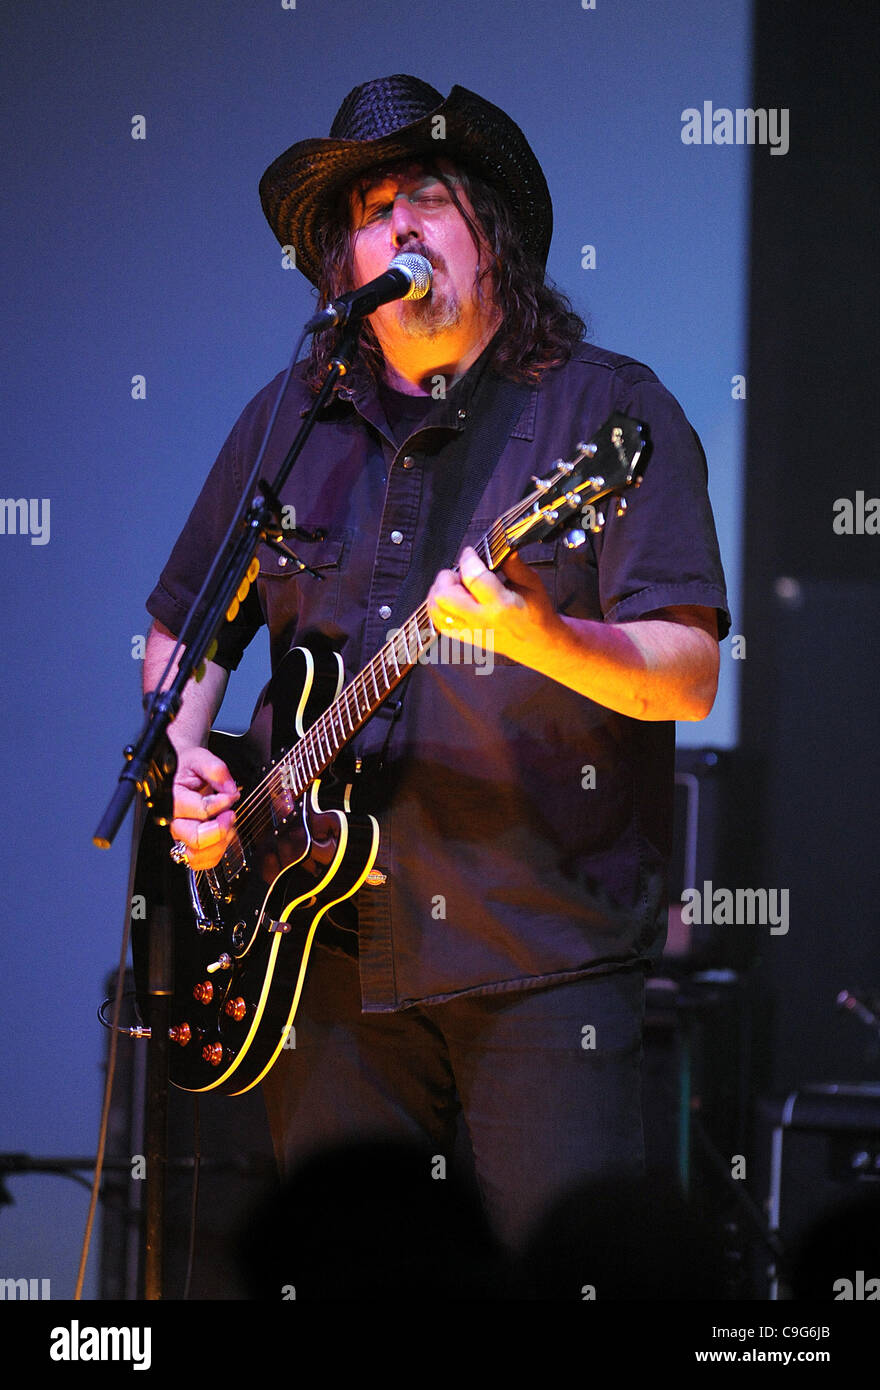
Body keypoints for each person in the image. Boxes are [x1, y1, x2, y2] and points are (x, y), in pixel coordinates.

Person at [143, 75, 729, 1266]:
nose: (394, 229)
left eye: (424, 199)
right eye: (366, 211)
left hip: (539, 959)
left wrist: (539, 636)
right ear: (339, 262)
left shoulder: (606, 412)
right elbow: (183, 633)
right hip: (324, 958)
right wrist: (189, 765)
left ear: (490, 235)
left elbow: (687, 673)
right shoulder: (291, 419)